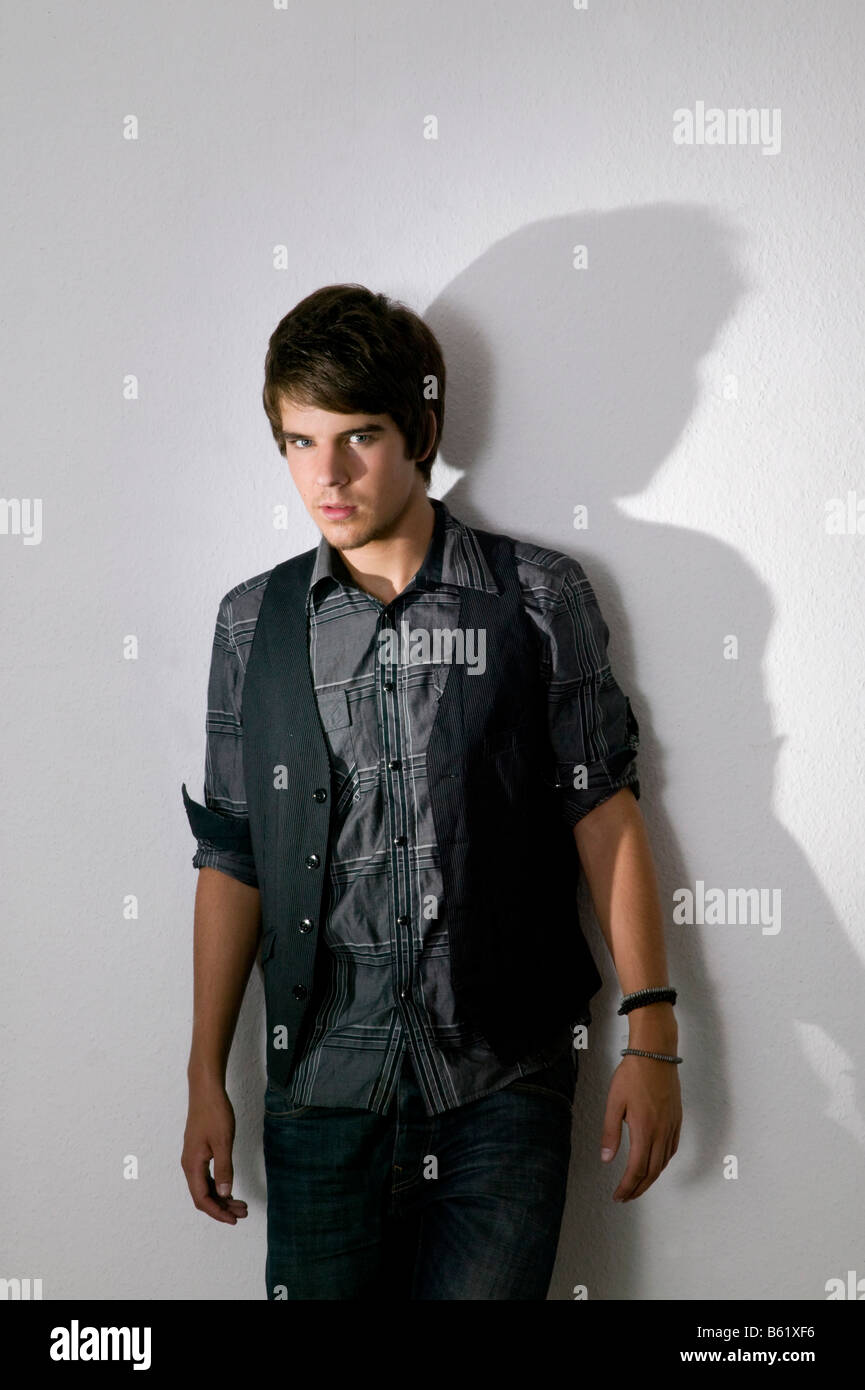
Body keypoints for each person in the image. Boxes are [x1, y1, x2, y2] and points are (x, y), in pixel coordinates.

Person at [180, 283, 682, 1300]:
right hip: (320, 1092)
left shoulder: (537, 594)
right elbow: (231, 854)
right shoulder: (252, 625)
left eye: (358, 436)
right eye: (297, 442)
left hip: (501, 1087)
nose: (326, 475)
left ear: (423, 429)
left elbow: (604, 813)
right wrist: (203, 1073)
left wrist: (654, 1034)